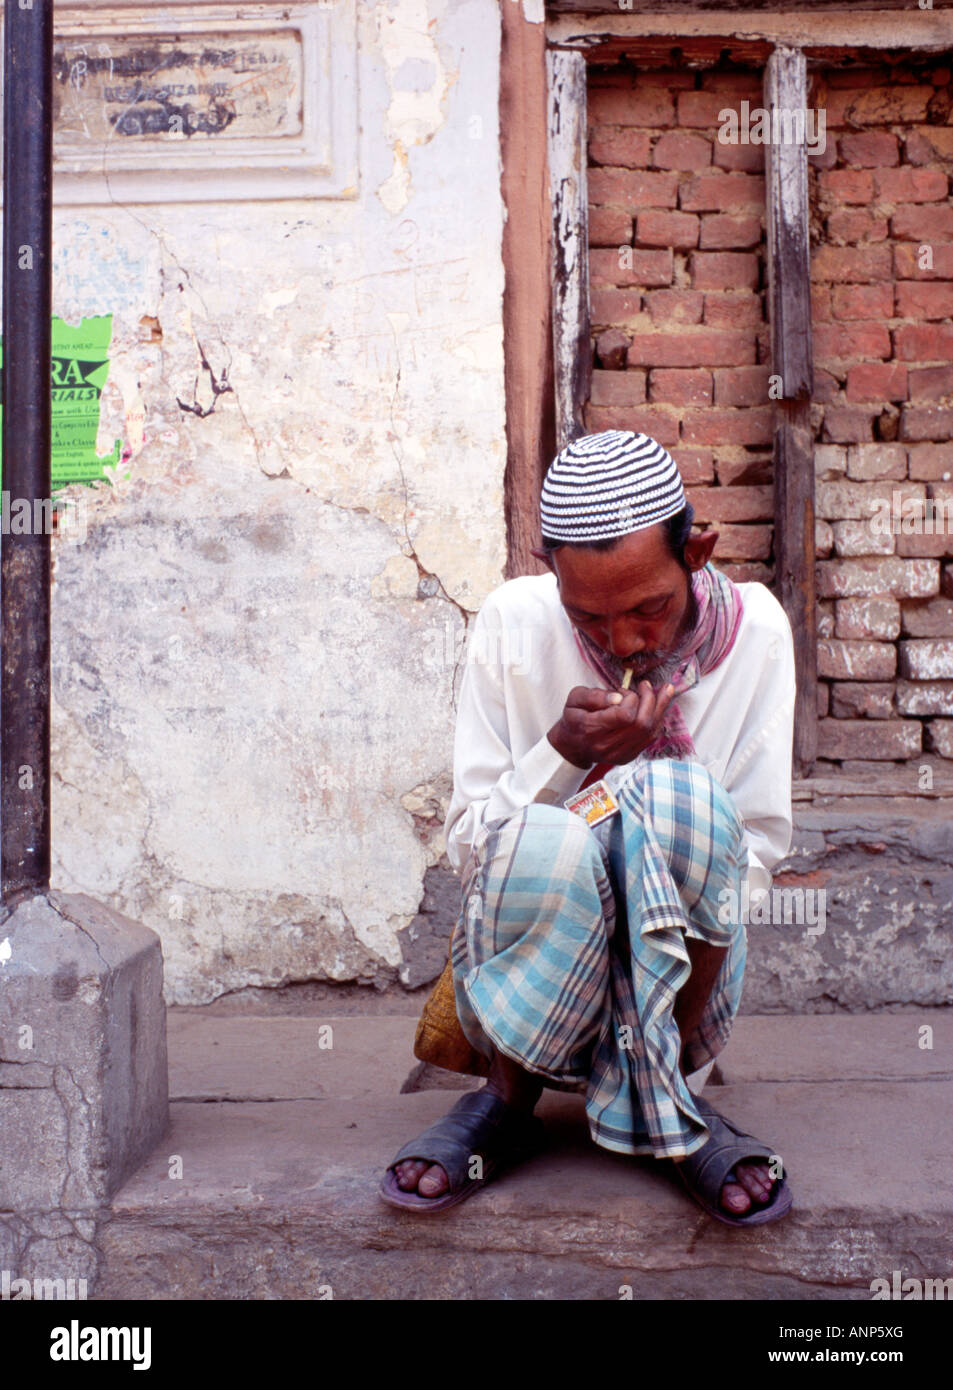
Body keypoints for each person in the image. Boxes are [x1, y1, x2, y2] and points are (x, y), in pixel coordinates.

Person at [379, 430, 796, 1225]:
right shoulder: (512, 621)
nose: (625, 642)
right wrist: (563, 759)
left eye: (650, 608)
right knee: (546, 836)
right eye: (589, 619)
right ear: (552, 578)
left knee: (683, 800)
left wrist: (646, 822)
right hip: (530, 989)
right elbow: (473, 847)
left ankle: (665, 1086)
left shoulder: (760, 634)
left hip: (682, 992)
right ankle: (506, 1098)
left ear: (697, 552)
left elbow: (754, 856)